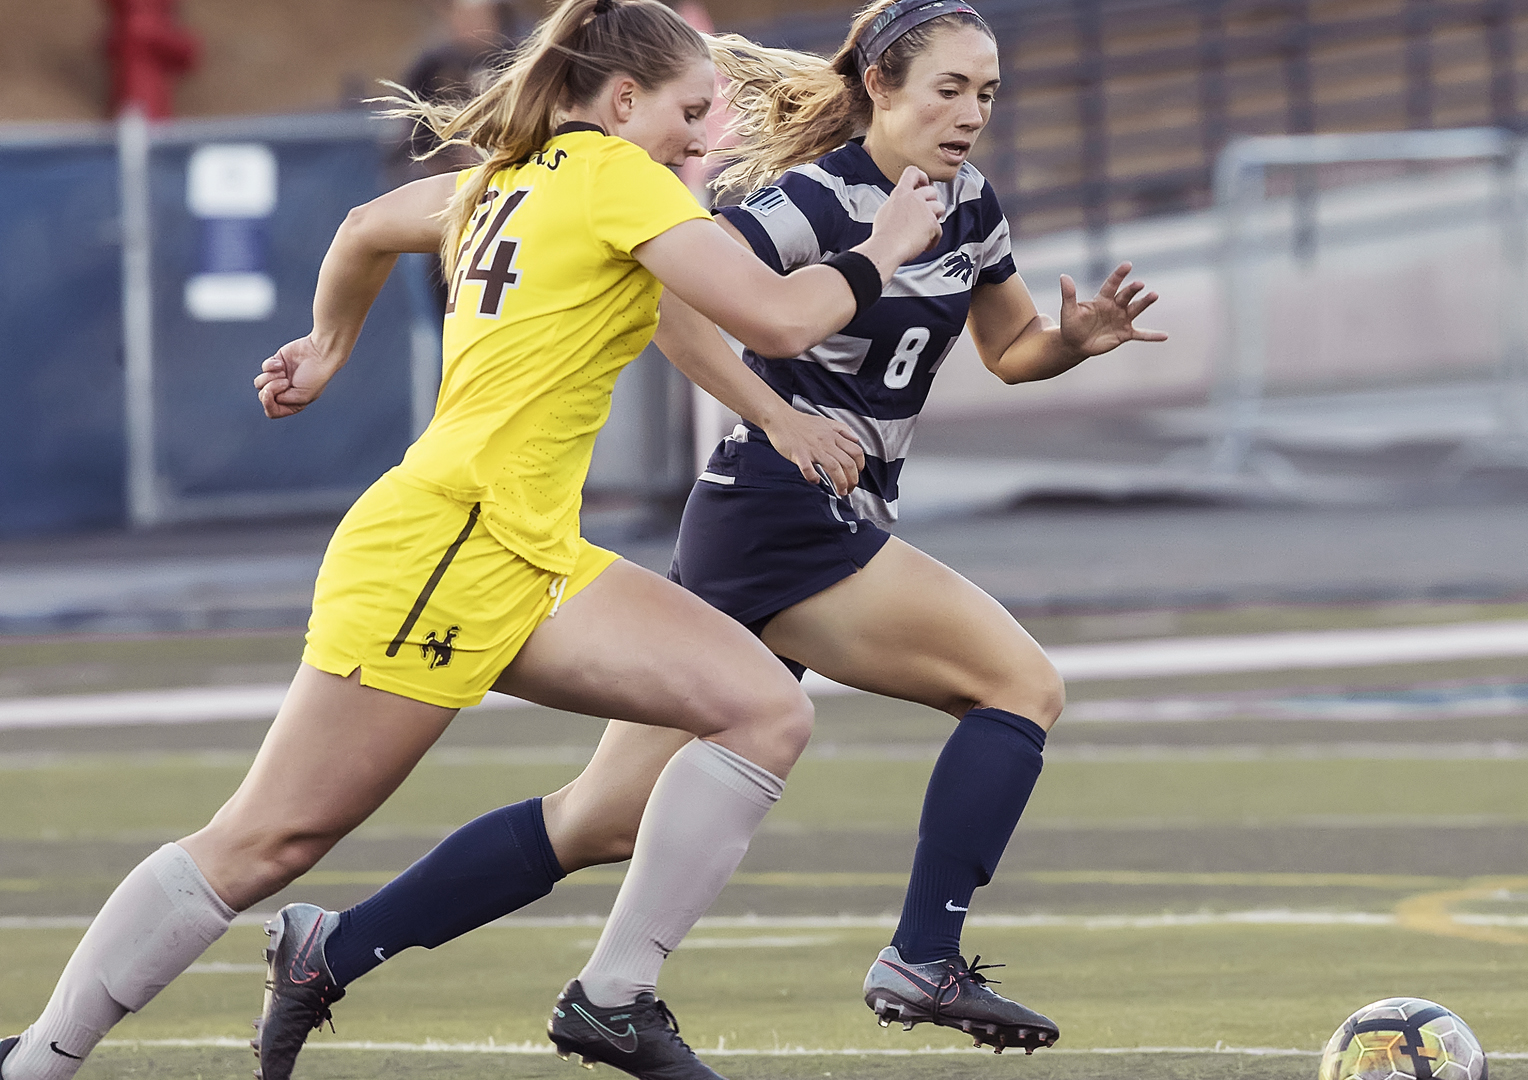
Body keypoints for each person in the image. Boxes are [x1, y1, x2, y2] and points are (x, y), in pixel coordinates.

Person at [0, 4, 943, 1080]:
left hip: (525, 551)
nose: (698, 136)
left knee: (761, 707)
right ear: (622, 101)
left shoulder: (516, 175)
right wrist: (887, 244)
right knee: (269, 840)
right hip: (446, 548)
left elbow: (365, 226)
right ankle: (41, 1062)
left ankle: (613, 999)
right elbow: (779, 319)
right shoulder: (612, 173)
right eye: (688, 112)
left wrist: (326, 346)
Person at [245, 0, 1165, 1067]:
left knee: (601, 820)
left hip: (787, 518)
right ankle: (923, 955)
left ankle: (330, 948)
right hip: (780, 509)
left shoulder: (972, 205)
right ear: (881, 85)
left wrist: (1075, 344)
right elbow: (668, 294)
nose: (970, 113)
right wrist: (780, 412)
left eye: (987, 93)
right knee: (1021, 685)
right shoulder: (818, 199)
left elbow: (1011, 352)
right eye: (948, 88)